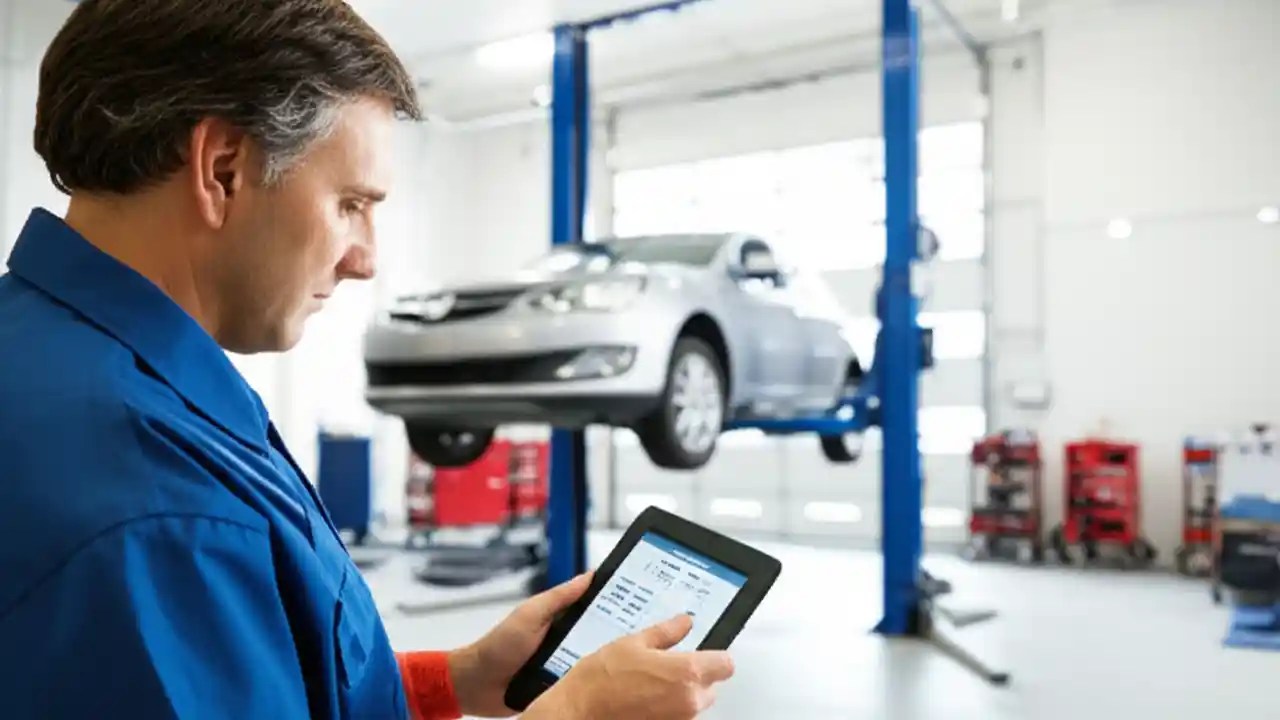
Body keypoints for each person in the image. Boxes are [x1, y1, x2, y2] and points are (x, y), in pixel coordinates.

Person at [0, 1, 735, 718]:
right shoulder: (157, 504)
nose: (366, 260)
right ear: (222, 170)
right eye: (351, 202)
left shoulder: (53, 356)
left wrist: (454, 680)